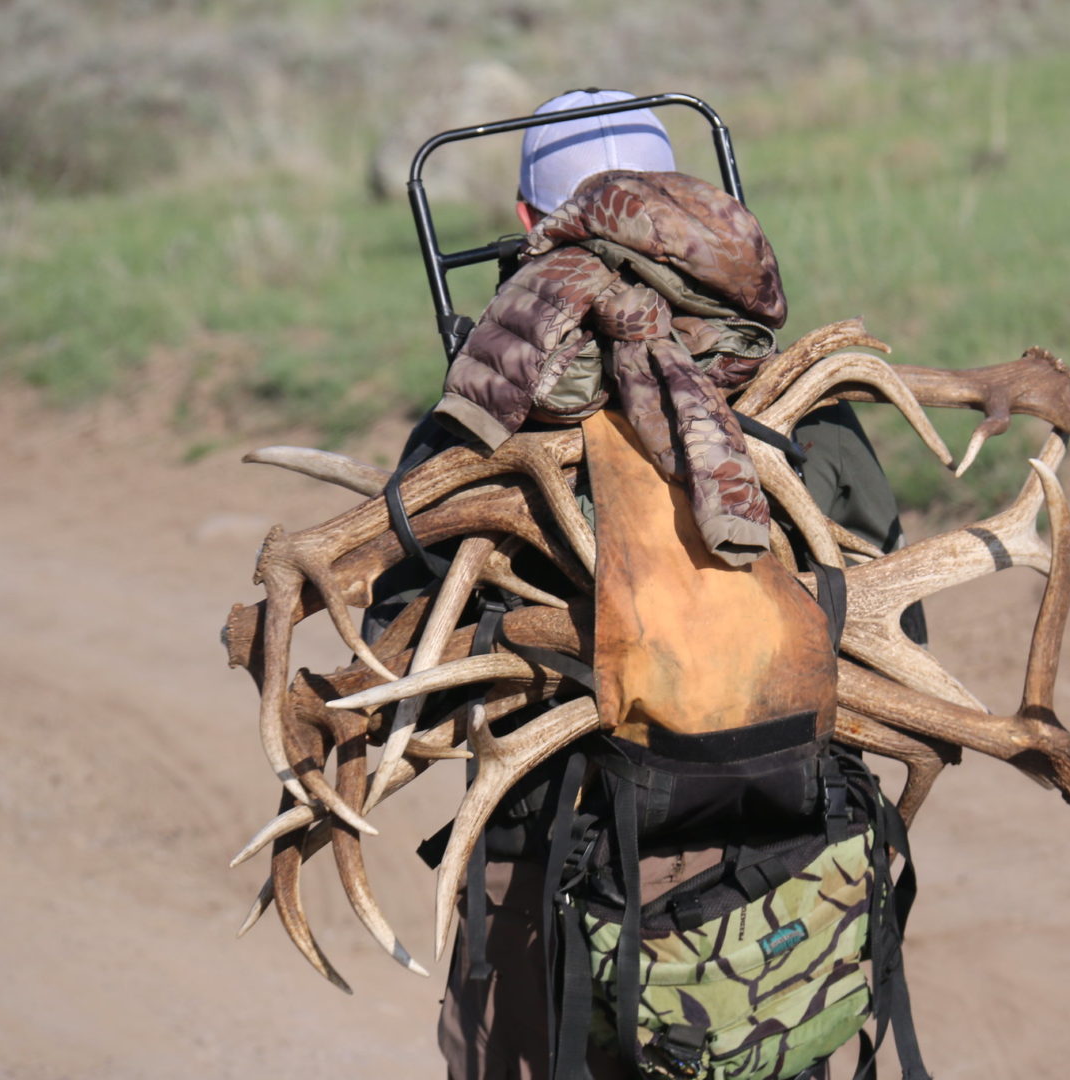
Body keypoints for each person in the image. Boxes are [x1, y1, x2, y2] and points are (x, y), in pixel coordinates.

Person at [370, 89, 926, 1080]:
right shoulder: (802, 404)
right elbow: (900, 635)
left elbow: (397, 664)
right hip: (783, 878)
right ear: (690, 210)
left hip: (547, 878)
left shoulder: (477, 424)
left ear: (529, 223)